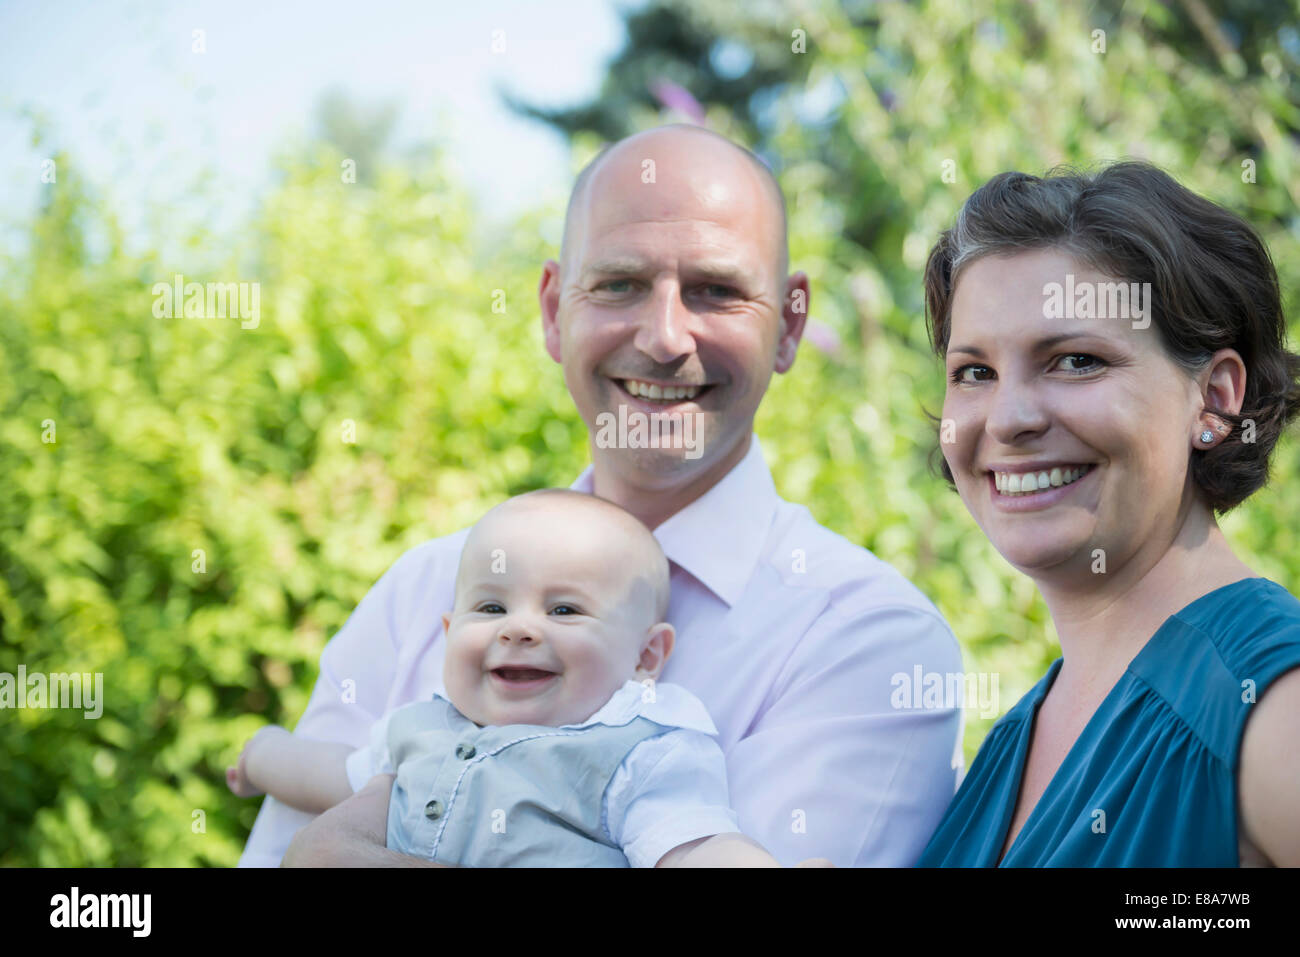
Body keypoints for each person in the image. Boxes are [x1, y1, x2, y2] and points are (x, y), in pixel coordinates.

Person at [239, 123, 962, 868]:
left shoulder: (868, 643)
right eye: (619, 284)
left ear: (790, 323)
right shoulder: (420, 591)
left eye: (716, 291)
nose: (664, 337)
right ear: (554, 310)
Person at [915, 162, 1300, 866]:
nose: (1009, 418)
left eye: (1076, 361)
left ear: (1214, 399)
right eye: (975, 371)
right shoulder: (1012, 738)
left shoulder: (1268, 704)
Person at [229, 489, 781, 867]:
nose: (519, 629)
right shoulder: (421, 727)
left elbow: (694, 844)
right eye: (491, 609)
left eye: (564, 611)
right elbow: (332, 774)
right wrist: (263, 755)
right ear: (449, 631)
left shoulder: (638, 752)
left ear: (647, 655)